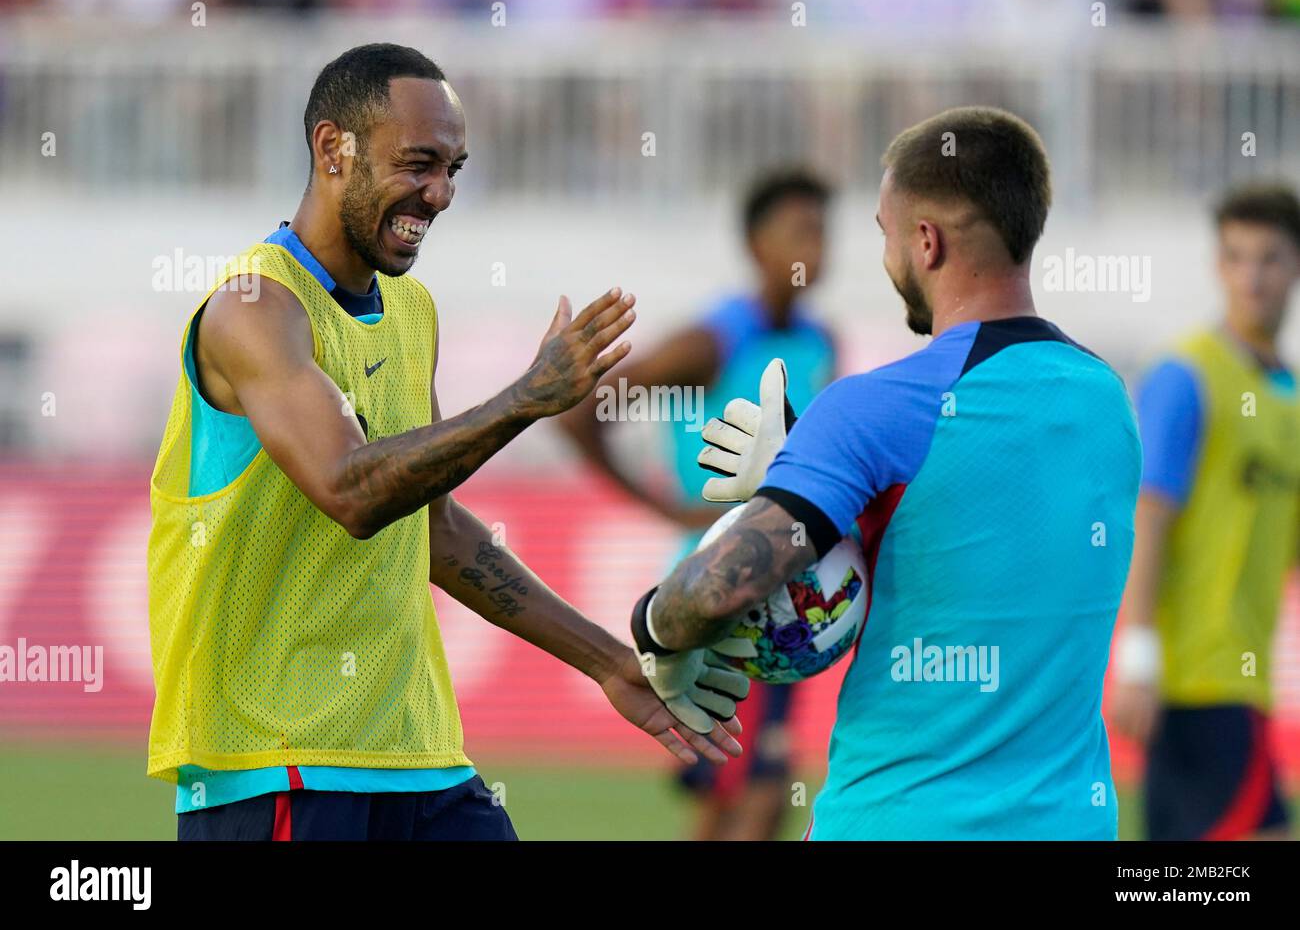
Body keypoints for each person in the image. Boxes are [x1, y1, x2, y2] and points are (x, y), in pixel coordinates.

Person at [145, 43, 744, 841]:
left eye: (455, 168)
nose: (441, 193)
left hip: (418, 758)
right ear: (333, 149)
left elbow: (433, 528)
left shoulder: (412, 311)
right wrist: (525, 400)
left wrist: (610, 661)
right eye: (419, 164)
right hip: (275, 763)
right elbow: (352, 492)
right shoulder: (254, 308)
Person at [632, 106, 1142, 840]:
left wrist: (656, 632)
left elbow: (720, 587)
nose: (882, 255)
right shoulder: (1108, 402)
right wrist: (810, 465)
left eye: (885, 232)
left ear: (926, 242)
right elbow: (978, 528)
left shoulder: (877, 406)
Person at [558, 168, 836, 840]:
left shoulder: (819, 342)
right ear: (755, 244)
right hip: (723, 590)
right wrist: (666, 510)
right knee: (759, 794)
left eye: (824, 233)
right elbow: (579, 415)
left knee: (740, 796)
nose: (817, 249)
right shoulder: (713, 342)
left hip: (785, 587)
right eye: (800, 231)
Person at [1111, 182, 1300, 840]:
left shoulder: (1288, 395)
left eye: (1269, 258)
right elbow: (1151, 516)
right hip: (1193, 680)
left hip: (1244, 684)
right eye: (1236, 257)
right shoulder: (1185, 375)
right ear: (1218, 267)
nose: (1252, 277)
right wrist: (1137, 658)